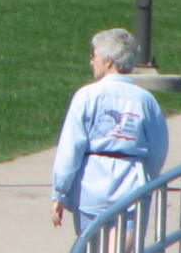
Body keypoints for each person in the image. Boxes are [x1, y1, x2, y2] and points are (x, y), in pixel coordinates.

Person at [51, 29, 169, 235]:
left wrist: (60, 192)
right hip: (132, 184)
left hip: (92, 185)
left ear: (108, 61)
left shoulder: (86, 96)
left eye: (94, 56)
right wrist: (146, 177)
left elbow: (70, 149)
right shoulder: (145, 100)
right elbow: (158, 149)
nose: (91, 61)